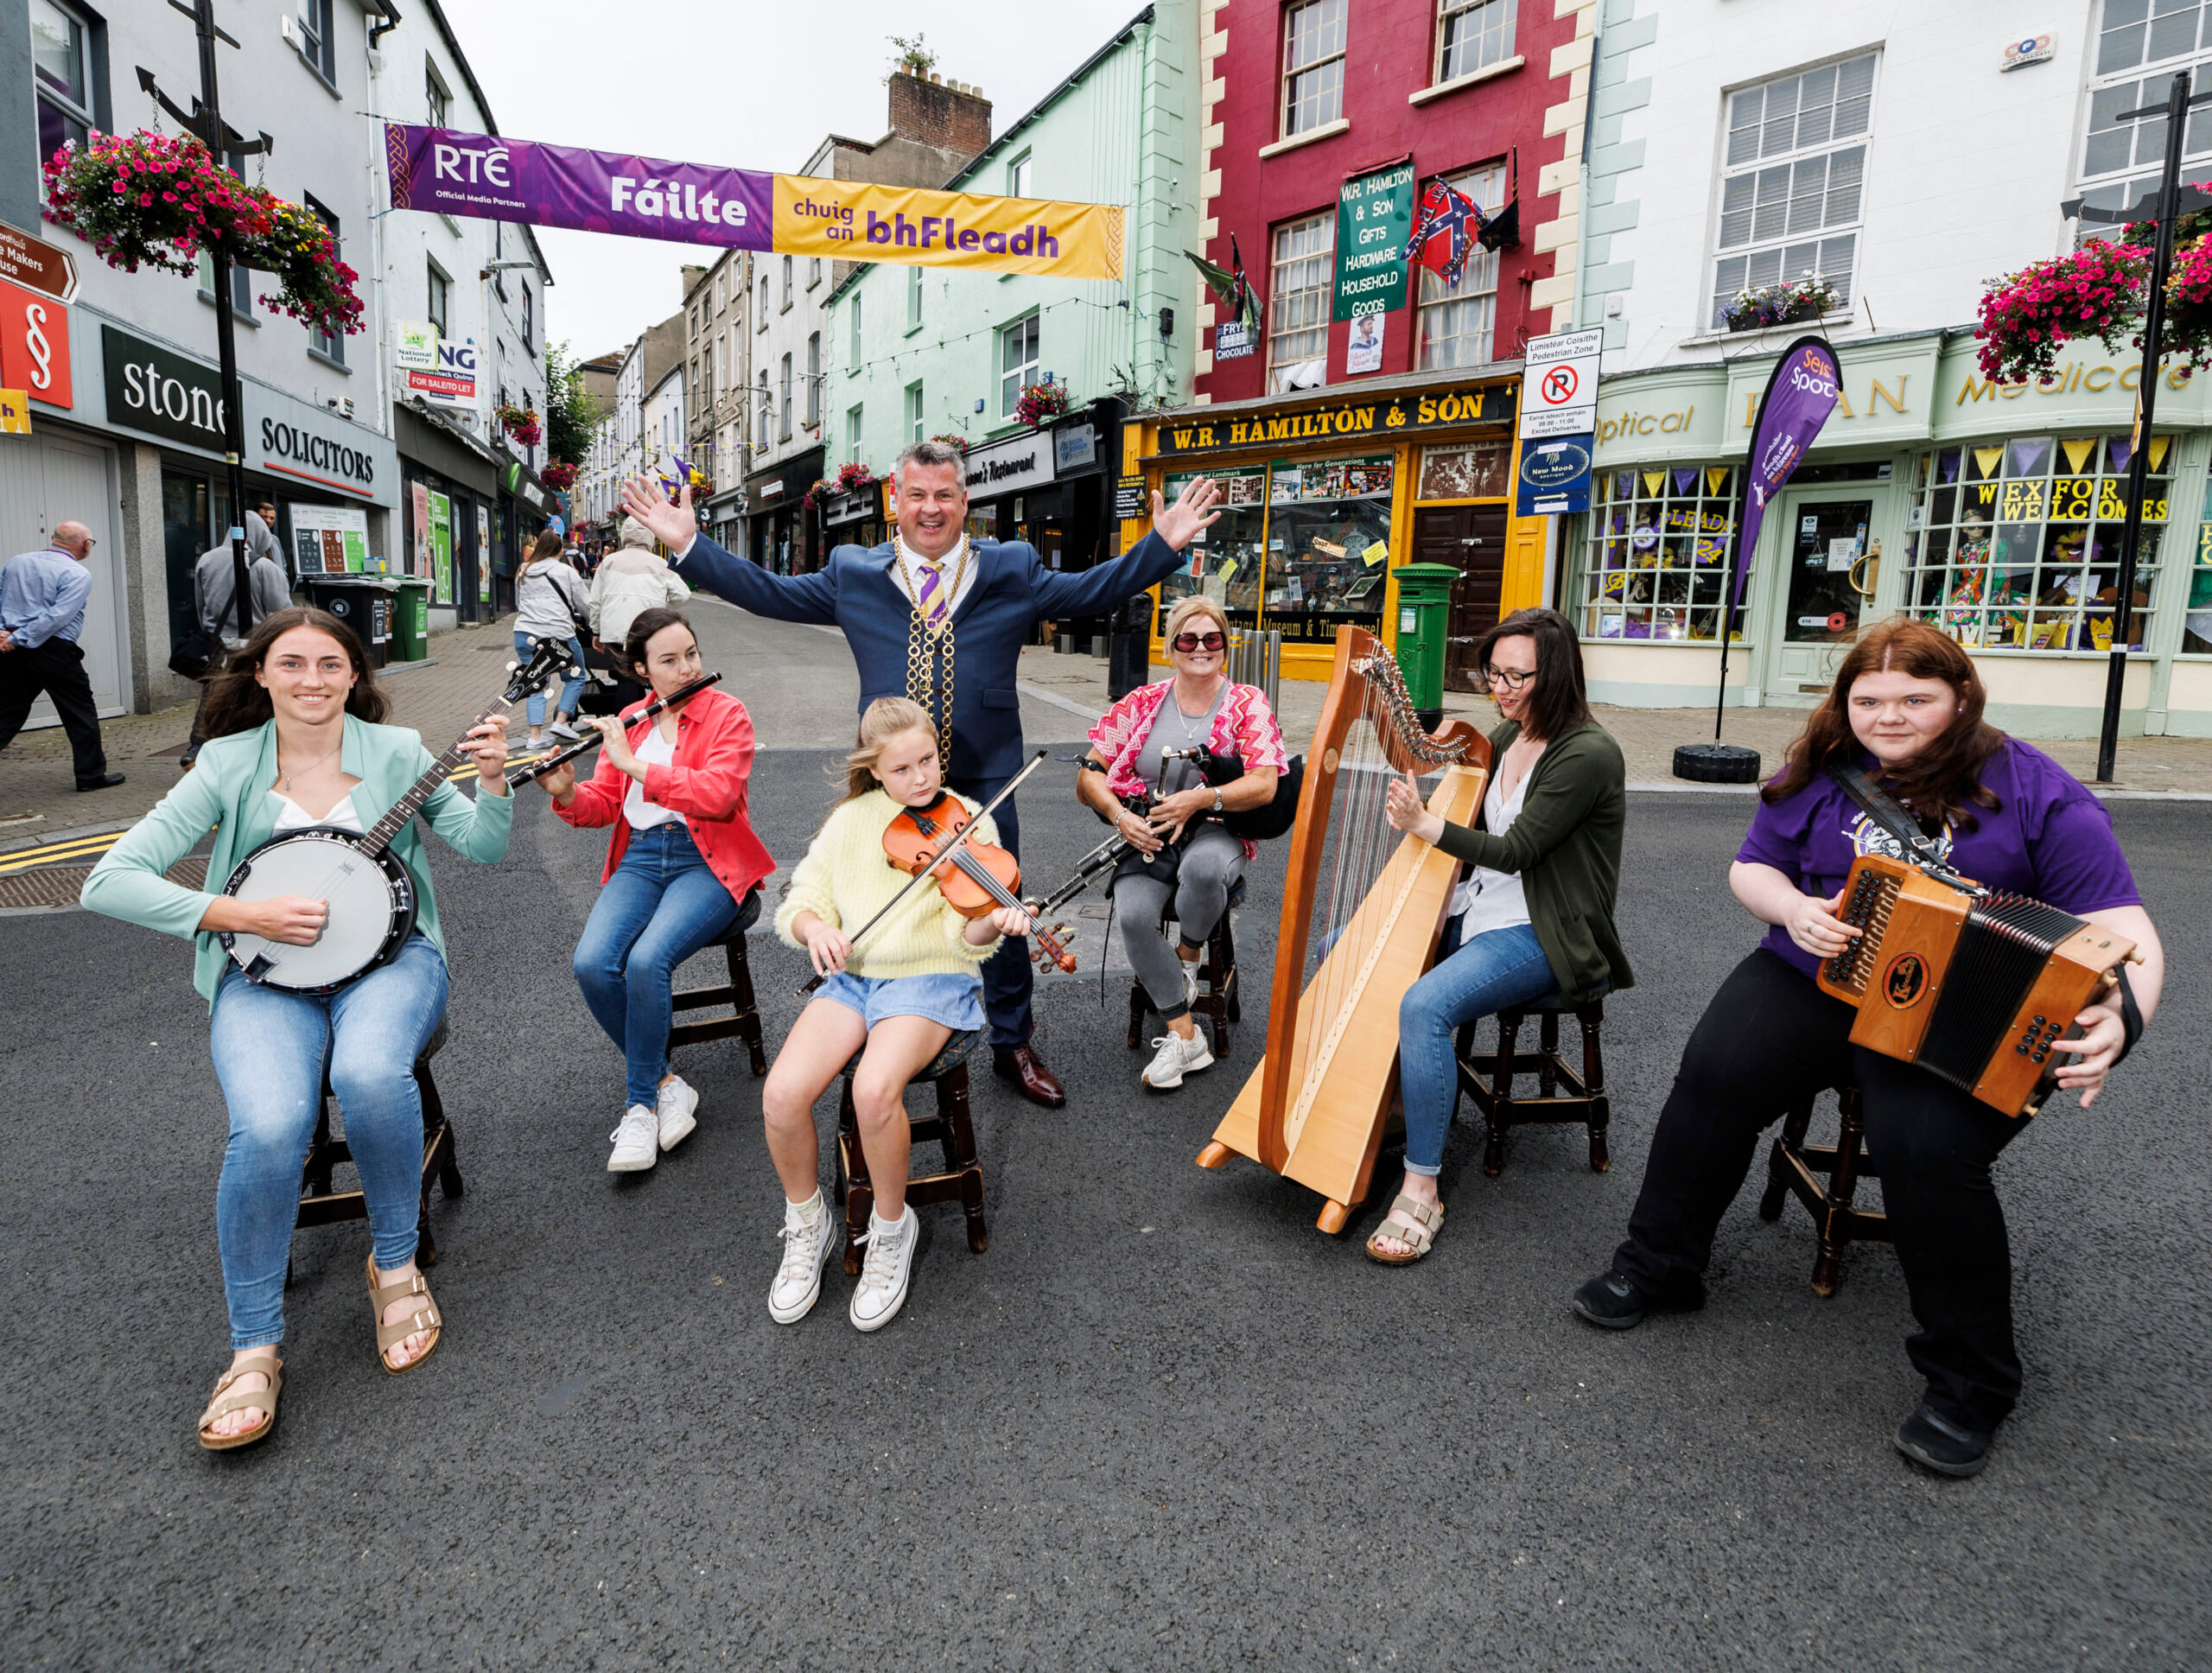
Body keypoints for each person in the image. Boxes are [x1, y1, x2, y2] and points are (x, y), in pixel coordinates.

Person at [1568, 616, 2165, 1479]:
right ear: (1845, 701)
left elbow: (2124, 929)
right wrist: (1789, 910)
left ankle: (1972, 1383)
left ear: (1960, 698)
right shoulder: (1823, 768)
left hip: (1956, 1011)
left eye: (1915, 699)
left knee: (1926, 1150)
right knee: (1714, 1071)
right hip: (1818, 972)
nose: (1888, 716)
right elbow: (1751, 866)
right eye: (1869, 698)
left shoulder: (2036, 789)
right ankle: (1659, 1265)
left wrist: (2126, 1021)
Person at [621, 442, 1222, 1108]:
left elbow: (1090, 592)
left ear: (965, 502)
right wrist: (691, 546)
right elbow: (770, 594)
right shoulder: (854, 571)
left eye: (944, 495)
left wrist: (1160, 546)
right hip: (891, 777)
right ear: (894, 502)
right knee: (885, 897)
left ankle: (1012, 1040)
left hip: (988, 768)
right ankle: (891, 1020)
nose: (930, 509)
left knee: (1001, 902)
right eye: (917, 495)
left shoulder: (1012, 566)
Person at [80, 606, 512, 1450]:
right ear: (261, 674)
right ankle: (254, 1346)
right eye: (292, 663)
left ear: (355, 676)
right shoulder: (225, 763)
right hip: (263, 976)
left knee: (368, 1070)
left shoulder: (394, 751)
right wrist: (240, 911)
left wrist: (493, 783)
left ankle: (394, 1267)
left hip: (393, 962)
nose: (311, 679)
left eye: (330, 665)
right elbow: (108, 880)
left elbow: (483, 848)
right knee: (271, 1125)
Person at [760, 697, 1031, 1330]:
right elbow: (800, 900)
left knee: (876, 1092)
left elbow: (967, 940)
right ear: (875, 771)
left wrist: (994, 920)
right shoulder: (850, 821)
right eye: (903, 769)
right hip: (855, 980)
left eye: (929, 762)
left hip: (930, 979)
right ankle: (808, 1224)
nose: (921, 779)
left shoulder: (971, 822)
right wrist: (813, 929)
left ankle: (890, 1227)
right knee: (781, 1096)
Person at [1371, 608, 1632, 1262]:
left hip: (1546, 930)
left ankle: (1422, 1186)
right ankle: (1400, 1104)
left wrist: (1424, 826)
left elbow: (1516, 851)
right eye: (1494, 673)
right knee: (1344, 947)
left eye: (1520, 675)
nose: (1504, 687)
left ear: (1559, 674)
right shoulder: (1506, 735)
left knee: (1424, 1005)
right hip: (1479, 908)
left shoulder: (1587, 753)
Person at [537, 607, 775, 1173]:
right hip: (643, 859)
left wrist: (637, 766)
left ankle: (639, 1105)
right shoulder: (632, 719)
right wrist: (568, 793)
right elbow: (603, 807)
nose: (687, 667)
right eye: (669, 660)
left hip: (709, 860)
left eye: (691, 653)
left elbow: (718, 796)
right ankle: (667, 1083)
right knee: (593, 964)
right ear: (642, 669)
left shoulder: (727, 714)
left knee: (647, 962)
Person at [1077, 593, 1287, 1091]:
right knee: (1131, 915)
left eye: (1211, 638)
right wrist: (1117, 816)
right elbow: (1090, 773)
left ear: (1225, 645)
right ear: (1170, 646)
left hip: (1217, 828)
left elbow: (1265, 782)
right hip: (1150, 829)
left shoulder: (1246, 702)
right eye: (1187, 639)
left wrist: (1200, 800)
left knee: (1204, 871)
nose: (1200, 648)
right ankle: (1185, 1034)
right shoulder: (1143, 702)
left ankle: (1188, 956)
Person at [0, 519, 123, 791]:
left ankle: (91, 774)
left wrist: (5, 634)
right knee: (80, 713)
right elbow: (57, 617)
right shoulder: (77, 574)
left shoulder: (16, 562)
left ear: (55, 539)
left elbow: (1, 597)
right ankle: (90, 776)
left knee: (7, 712)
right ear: (86, 544)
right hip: (53, 651)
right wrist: (19, 638)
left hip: (12, 649)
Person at [184, 512, 295, 767]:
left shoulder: (206, 560)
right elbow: (285, 613)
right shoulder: (266, 567)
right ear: (259, 535)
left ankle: (198, 746)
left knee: (213, 698)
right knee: (260, 698)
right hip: (255, 645)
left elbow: (201, 606)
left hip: (219, 646)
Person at [513, 530, 589, 750]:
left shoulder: (523, 572)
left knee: (535, 681)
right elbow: (584, 605)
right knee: (575, 676)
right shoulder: (565, 571)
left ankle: (535, 737)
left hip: (524, 634)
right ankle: (561, 722)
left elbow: (519, 604)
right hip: (558, 634)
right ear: (559, 551)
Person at [588, 517, 690, 659]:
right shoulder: (660, 563)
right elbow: (682, 595)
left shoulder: (608, 562)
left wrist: (597, 632)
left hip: (614, 632)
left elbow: (595, 601)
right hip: (648, 630)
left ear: (624, 536)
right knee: (646, 672)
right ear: (650, 536)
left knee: (622, 673)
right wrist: (662, 600)